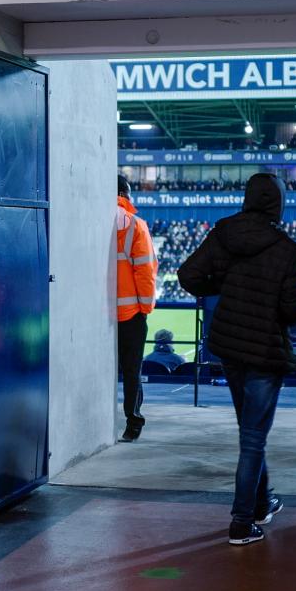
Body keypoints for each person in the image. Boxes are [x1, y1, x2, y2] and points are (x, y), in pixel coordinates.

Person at [178, 172, 296, 547]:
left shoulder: (224, 233)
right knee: (253, 438)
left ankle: (262, 503)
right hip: (265, 350)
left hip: (231, 347)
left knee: (251, 432)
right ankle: (241, 521)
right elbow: (292, 310)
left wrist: (223, 285)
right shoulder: (286, 249)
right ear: (278, 204)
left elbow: (188, 274)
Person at [114, 176, 157, 442]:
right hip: (130, 314)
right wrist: (145, 308)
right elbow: (145, 272)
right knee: (132, 371)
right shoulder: (135, 225)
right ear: (124, 193)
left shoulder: (91, 220)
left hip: (96, 314)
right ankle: (133, 423)